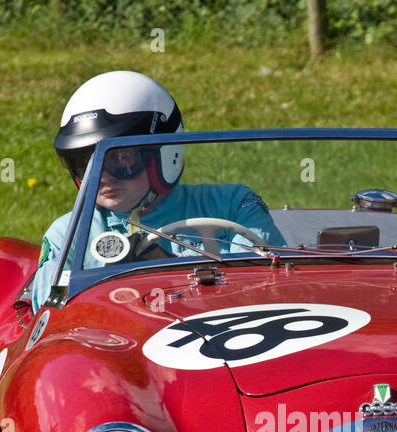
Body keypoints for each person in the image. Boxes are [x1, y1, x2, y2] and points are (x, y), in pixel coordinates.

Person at [29, 71, 284, 305]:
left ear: (164, 154)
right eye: (86, 163)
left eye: (121, 158)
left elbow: (265, 289)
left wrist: (168, 273)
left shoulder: (234, 205)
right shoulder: (68, 233)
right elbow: (49, 312)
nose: (104, 177)